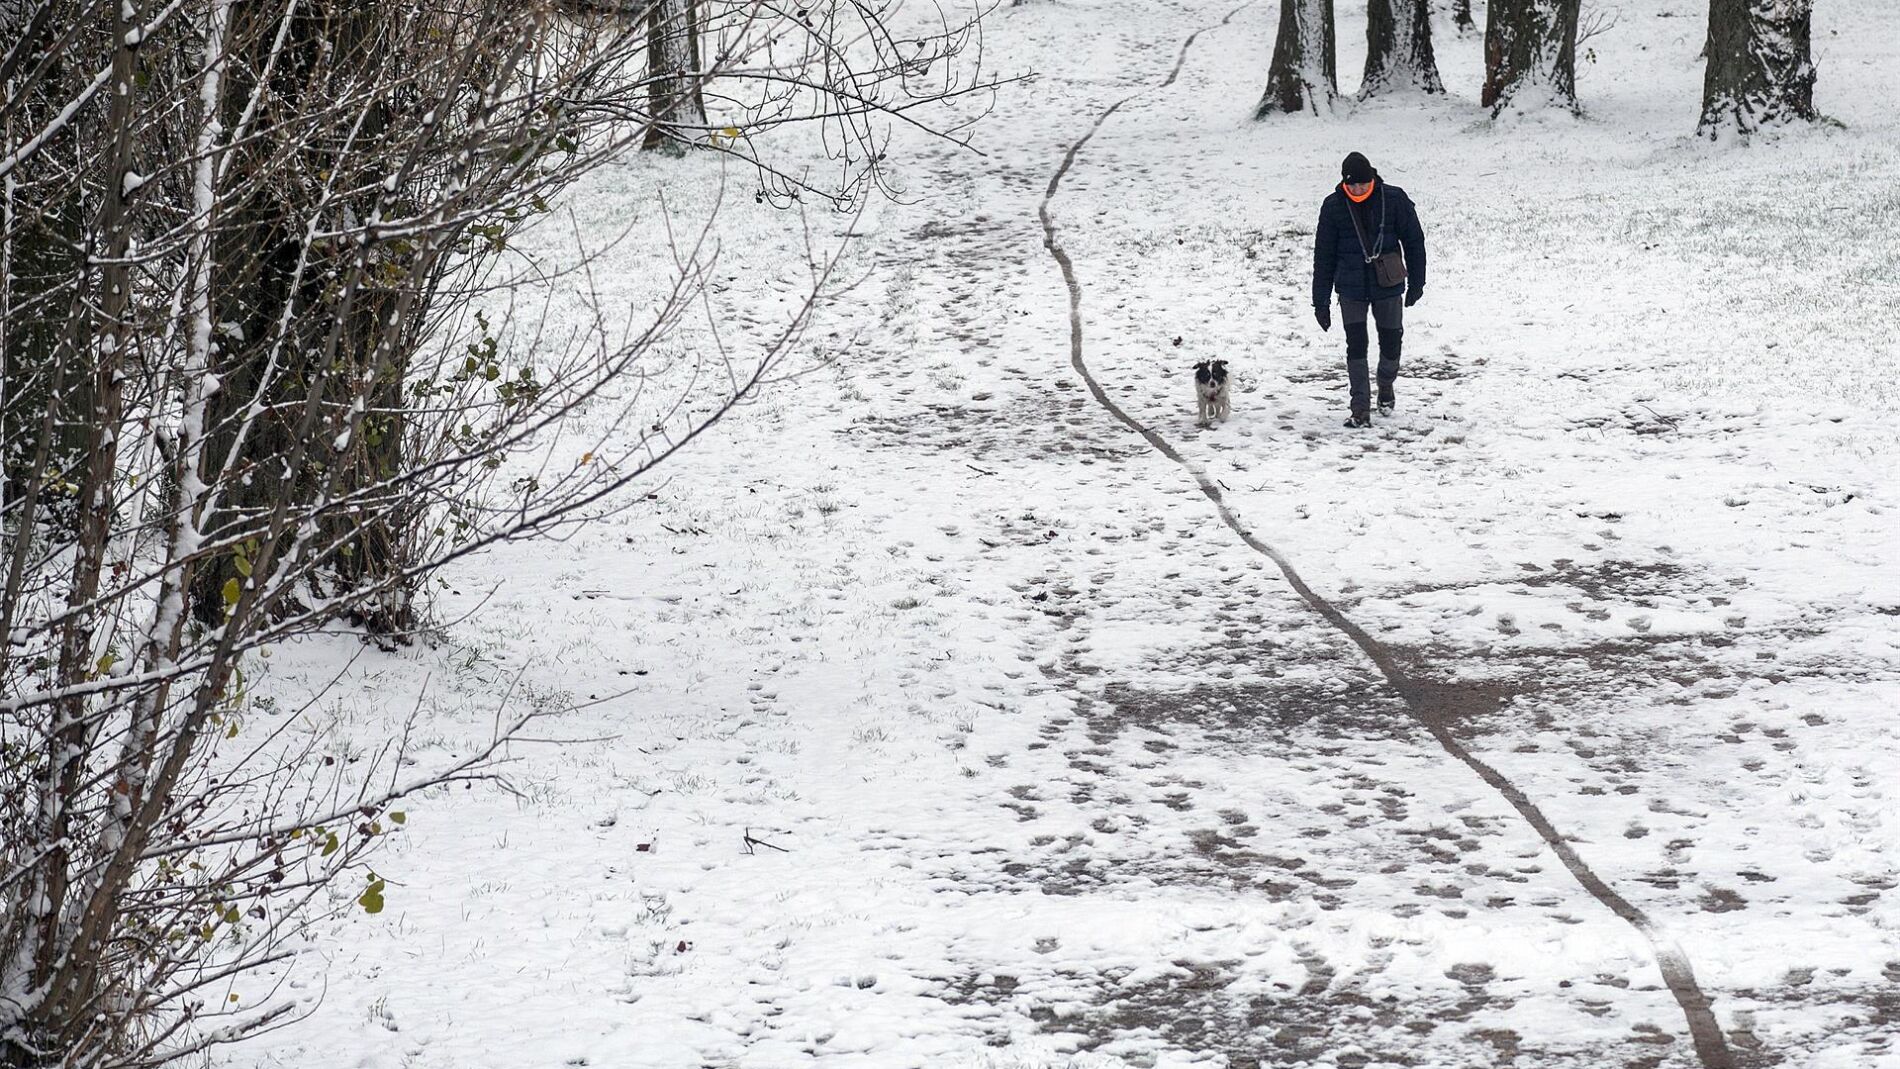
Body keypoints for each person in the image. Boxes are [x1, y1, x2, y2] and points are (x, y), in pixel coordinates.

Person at [1312, 151, 1427, 428]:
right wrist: (1321, 302)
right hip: (1350, 287)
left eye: (1363, 184)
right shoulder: (1333, 206)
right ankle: (1360, 407)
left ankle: (1386, 385)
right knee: (1356, 345)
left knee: (1391, 342)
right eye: (1352, 186)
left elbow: (1414, 241)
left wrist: (1417, 283)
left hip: (1387, 284)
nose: (1358, 190)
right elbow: (1323, 256)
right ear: (1344, 183)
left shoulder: (1394, 199)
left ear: (1372, 179)